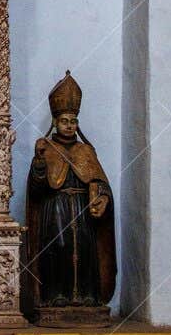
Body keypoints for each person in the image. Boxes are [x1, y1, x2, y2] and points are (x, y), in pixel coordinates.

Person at [25, 72, 116, 316]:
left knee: (85, 249)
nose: (69, 125)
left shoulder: (86, 151)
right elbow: (36, 189)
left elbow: (100, 182)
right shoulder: (46, 148)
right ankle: (55, 296)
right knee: (59, 248)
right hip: (55, 211)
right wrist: (40, 164)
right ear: (55, 122)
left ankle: (89, 297)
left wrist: (103, 197)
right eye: (65, 120)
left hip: (82, 210)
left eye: (73, 121)